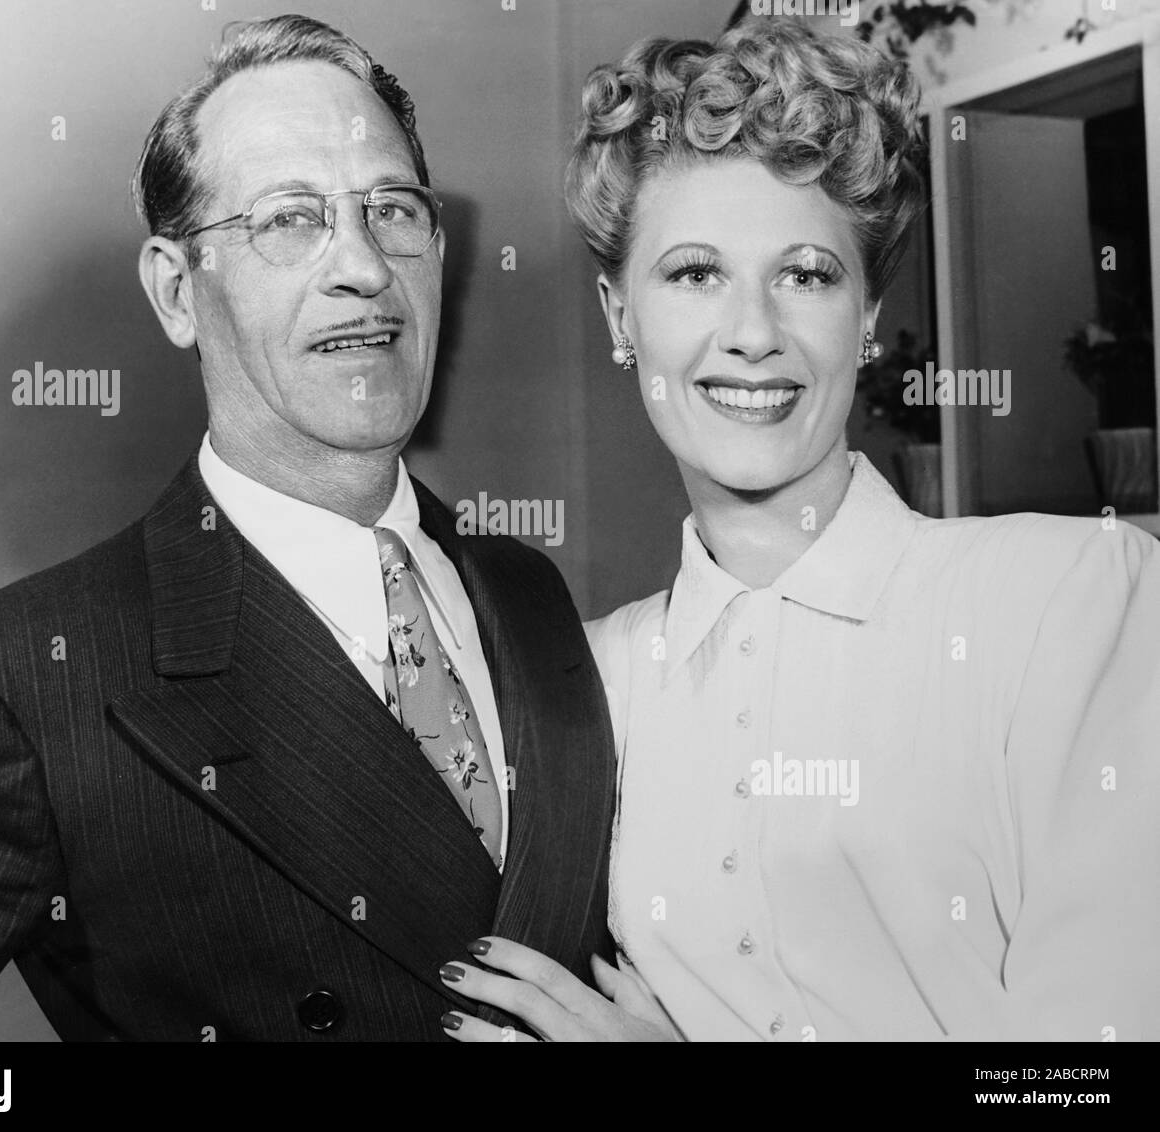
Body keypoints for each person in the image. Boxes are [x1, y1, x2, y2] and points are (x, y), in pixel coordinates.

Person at [0, 14, 616, 1042]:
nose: (361, 266)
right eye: (288, 220)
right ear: (177, 290)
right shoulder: (4, 688)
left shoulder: (527, 593)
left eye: (390, 210)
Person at [443, 17, 1160, 1042]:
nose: (752, 331)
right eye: (694, 273)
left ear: (866, 313)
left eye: (807, 275)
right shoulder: (586, 688)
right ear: (618, 316)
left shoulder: (1079, 600)